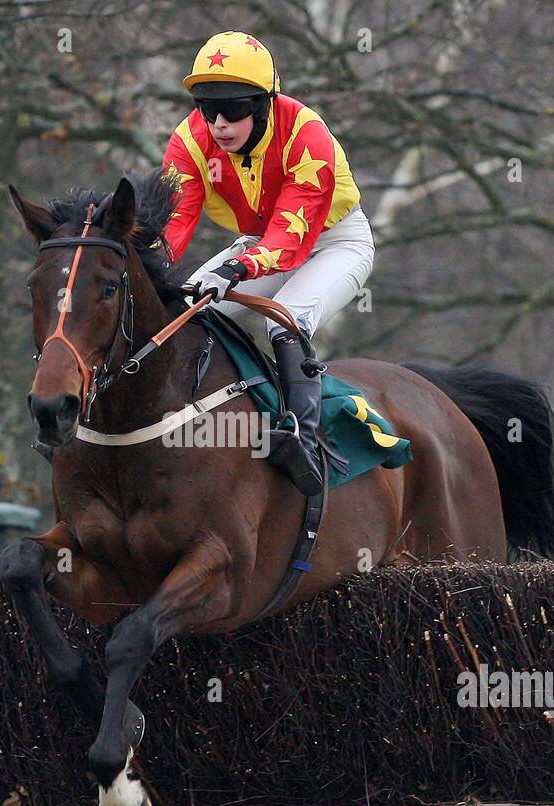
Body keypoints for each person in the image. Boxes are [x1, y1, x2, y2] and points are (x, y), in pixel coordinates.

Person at [161, 30, 374, 497]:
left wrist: (237, 269)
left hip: (334, 242)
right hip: (259, 245)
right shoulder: (190, 140)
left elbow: (291, 236)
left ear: (264, 104)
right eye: (206, 107)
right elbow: (174, 222)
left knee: (285, 319)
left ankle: (303, 441)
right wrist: (143, 264)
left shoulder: (306, 134)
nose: (219, 124)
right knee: (186, 314)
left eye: (233, 108)